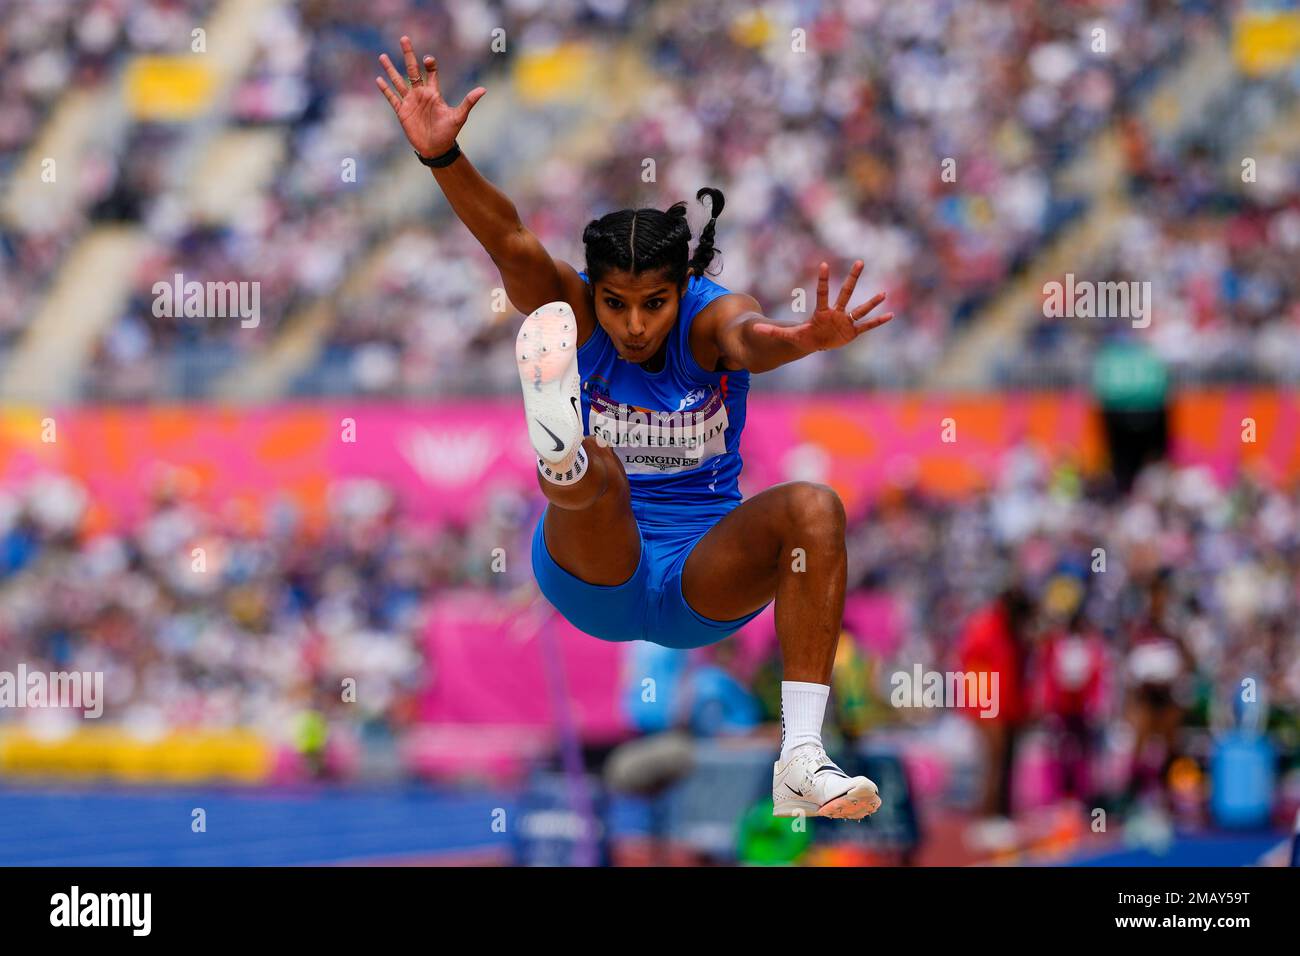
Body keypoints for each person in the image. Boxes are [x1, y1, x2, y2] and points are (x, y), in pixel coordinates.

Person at [376, 36, 894, 819]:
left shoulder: (713, 319)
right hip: (592, 567)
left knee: (815, 508)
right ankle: (562, 459)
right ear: (596, 293)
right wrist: (444, 160)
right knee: (604, 470)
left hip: (696, 581)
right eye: (614, 303)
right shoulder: (572, 307)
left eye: (653, 303)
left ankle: (802, 758)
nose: (633, 324)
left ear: (682, 286)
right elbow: (510, 239)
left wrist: (802, 341)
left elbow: (755, 340)